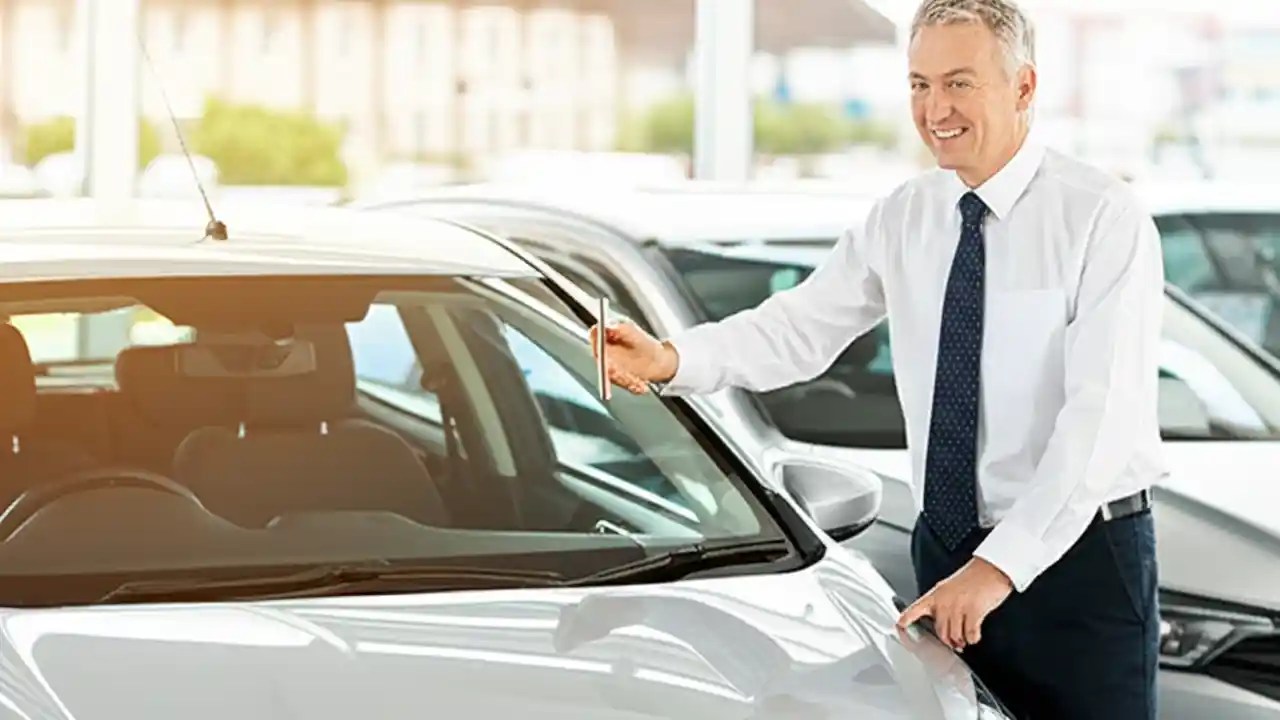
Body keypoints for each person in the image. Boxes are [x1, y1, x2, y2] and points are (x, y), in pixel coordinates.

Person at [590, 0, 1163, 717]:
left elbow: (1099, 424)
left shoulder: (1101, 216)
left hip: (1076, 562)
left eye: (959, 83)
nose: (935, 109)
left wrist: (996, 570)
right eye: (919, 84)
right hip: (948, 551)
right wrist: (673, 359)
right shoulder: (905, 215)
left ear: (1023, 87)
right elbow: (800, 328)